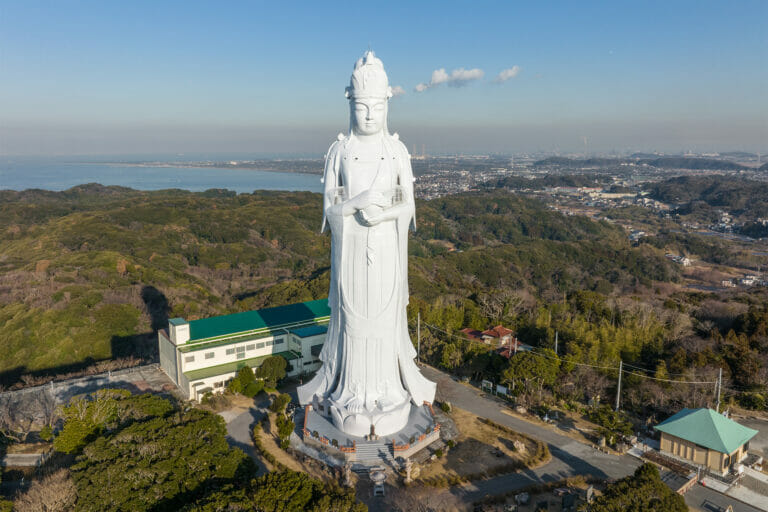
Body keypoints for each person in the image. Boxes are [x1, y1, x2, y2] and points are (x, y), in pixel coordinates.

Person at [298, 51, 435, 436]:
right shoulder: (339, 151)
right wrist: (356, 204)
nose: (370, 115)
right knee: (353, 322)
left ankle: (389, 391)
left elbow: (409, 206)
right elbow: (329, 209)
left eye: (377, 107)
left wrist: (385, 215)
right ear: (350, 105)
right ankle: (351, 392)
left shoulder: (397, 151)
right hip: (352, 254)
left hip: (387, 252)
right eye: (362, 107)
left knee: (384, 320)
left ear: (387, 105)